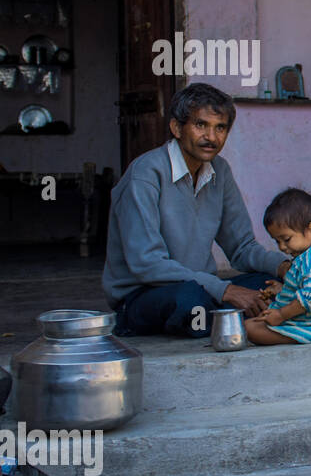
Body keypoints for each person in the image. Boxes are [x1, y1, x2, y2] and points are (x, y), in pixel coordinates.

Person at [103, 83, 290, 337]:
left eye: (220, 128)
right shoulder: (145, 174)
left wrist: (285, 267)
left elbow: (242, 247)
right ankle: (237, 321)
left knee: (269, 285)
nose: (211, 137)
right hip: (143, 296)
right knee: (190, 301)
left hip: (202, 288)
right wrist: (225, 291)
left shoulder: (220, 172)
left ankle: (230, 320)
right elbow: (148, 265)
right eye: (201, 125)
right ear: (176, 128)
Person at [246, 189, 311, 345]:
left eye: (286, 239)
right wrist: (282, 289)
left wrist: (280, 314)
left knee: (250, 329)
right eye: (277, 241)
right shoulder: (307, 254)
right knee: (251, 323)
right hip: (310, 320)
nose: (281, 247)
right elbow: (305, 286)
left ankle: (295, 336)